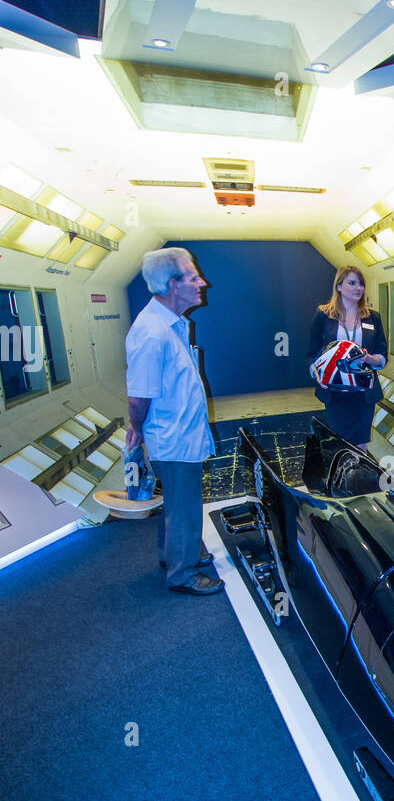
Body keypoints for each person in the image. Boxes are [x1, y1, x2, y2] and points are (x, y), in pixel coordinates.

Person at [125, 247, 223, 596]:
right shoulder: (152, 333)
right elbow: (138, 397)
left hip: (180, 434)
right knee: (184, 507)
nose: (203, 283)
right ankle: (183, 575)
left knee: (179, 503)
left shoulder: (171, 325)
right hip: (173, 438)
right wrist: (136, 429)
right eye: (193, 277)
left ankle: (176, 555)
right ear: (170, 284)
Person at [307, 266, 387, 448]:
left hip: (363, 395)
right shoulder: (323, 315)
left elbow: (383, 355)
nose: (358, 288)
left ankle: (360, 477)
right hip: (335, 395)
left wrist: (369, 359)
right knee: (338, 446)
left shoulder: (372, 317)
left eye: (361, 284)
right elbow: (312, 353)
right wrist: (316, 373)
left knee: (361, 448)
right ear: (339, 286)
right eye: (352, 283)